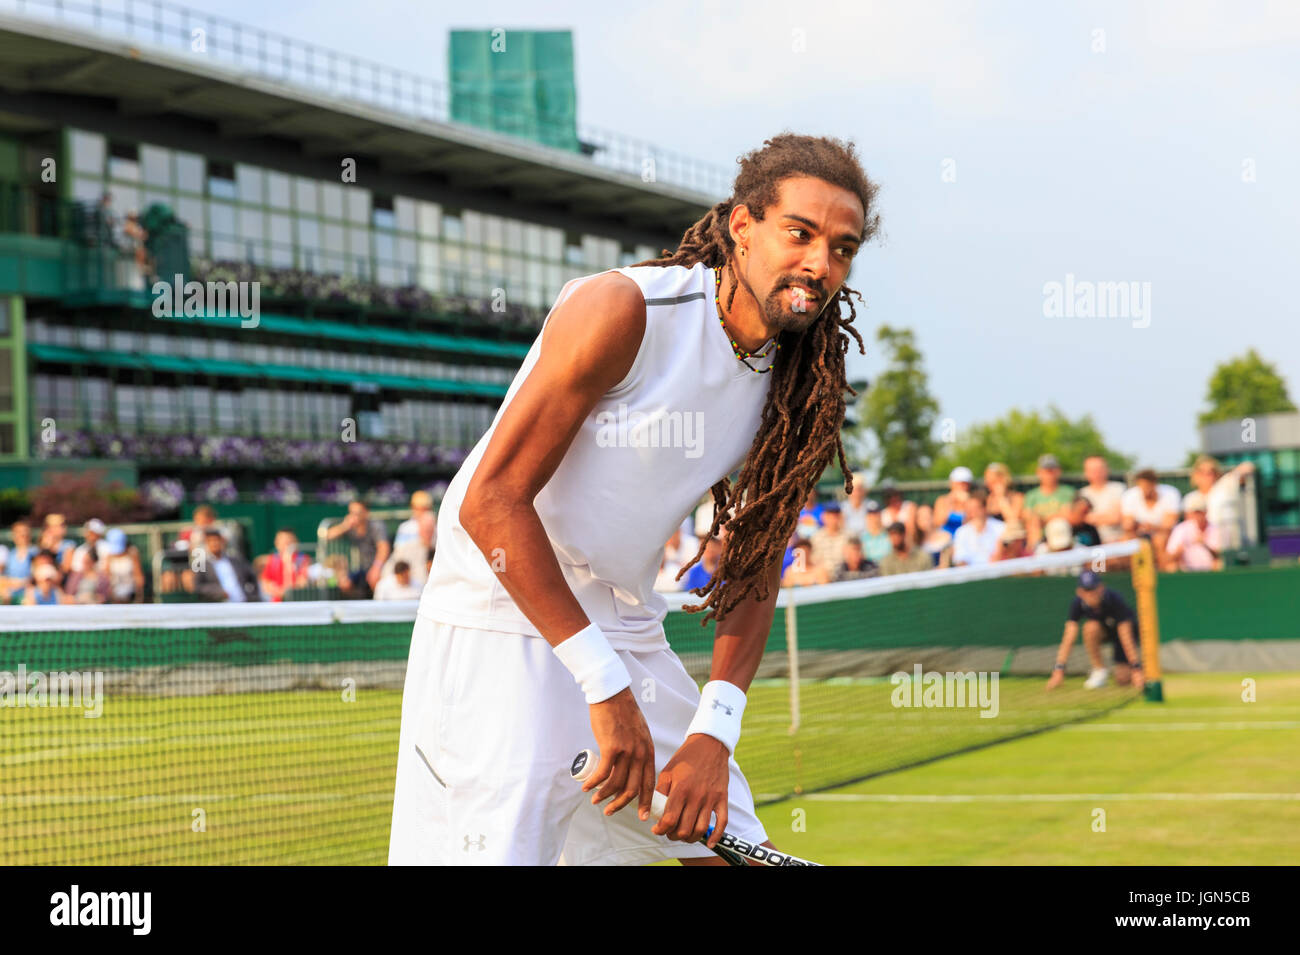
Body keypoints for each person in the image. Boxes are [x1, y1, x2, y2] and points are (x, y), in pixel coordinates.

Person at [391, 137, 876, 865]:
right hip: (500, 625)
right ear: (744, 226)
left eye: (842, 248)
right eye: (799, 233)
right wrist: (603, 684)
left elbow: (754, 564)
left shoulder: (805, 385)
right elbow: (489, 503)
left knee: (736, 853)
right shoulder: (622, 310)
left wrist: (714, 730)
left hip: (625, 627)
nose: (820, 264)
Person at [1047, 570, 1143, 691]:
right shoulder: (1077, 604)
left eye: (1094, 589)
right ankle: (1099, 670)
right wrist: (1059, 669)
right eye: (1087, 590)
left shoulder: (1115, 599)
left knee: (1123, 679)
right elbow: (1068, 637)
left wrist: (1136, 668)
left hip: (1125, 634)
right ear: (1080, 592)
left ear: (1101, 588)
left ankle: (1139, 667)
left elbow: (1125, 635)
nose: (1091, 593)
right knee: (1090, 627)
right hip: (1103, 632)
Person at [1186, 455, 1255, 552]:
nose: (1207, 475)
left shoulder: (1225, 484)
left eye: (1211, 471)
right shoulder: (1191, 498)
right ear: (1196, 474)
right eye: (1202, 472)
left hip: (1229, 537)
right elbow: (1190, 523)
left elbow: (1248, 466)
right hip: (1205, 543)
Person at [323, 500, 390, 596]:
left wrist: (377, 568)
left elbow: (383, 548)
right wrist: (344, 526)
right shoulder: (350, 527)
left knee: (375, 580)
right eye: (351, 513)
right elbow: (328, 536)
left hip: (383, 566)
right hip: (363, 569)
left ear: (366, 513)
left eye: (357, 513)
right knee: (345, 584)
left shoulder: (376, 526)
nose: (354, 516)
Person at [1121, 469, 1181, 569]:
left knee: (1160, 540)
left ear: (1154, 484)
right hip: (1138, 533)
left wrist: (1151, 527)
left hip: (1163, 534)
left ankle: (1162, 573)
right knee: (1126, 541)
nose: (1145, 490)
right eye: (1142, 486)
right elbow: (1127, 524)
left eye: (1147, 486)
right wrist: (1136, 526)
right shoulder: (1129, 496)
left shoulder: (1170, 494)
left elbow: (1168, 526)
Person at [191, 528, 259, 602]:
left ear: (222, 541)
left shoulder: (236, 560)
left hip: (243, 604)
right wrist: (218, 592)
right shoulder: (202, 564)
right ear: (206, 544)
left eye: (217, 540)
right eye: (210, 541)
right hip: (219, 606)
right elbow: (198, 587)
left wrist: (252, 595)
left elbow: (252, 577)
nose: (214, 543)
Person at [1023, 455, 1075, 549]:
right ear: (1039, 472)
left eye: (1051, 471)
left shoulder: (1068, 492)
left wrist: (1043, 520)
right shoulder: (1031, 495)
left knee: (1058, 525)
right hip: (1040, 539)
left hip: (1062, 537)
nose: (1049, 474)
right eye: (1046, 471)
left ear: (1058, 471)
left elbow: (1068, 516)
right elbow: (1029, 519)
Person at [1166, 491, 1223, 572]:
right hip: (1186, 569)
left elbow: (1220, 555)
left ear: (1205, 512)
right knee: (1171, 567)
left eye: (1199, 512)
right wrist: (1178, 552)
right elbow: (1169, 556)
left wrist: (1204, 544)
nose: (1197, 516)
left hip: (1209, 568)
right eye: (1194, 513)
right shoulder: (1181, 529)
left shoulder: (1215, 529)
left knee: (1218, 564)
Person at [1078, 455, 1126, 544]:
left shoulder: (1118, 488)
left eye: (1099, 469)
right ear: (1086, 473)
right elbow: (1080, 519)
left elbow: (1115, 518)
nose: (1097, 473)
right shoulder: (1082, 493)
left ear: (1107, 470)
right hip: (1091, 543)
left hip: (1116, 540)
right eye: (1092, 470)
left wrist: (1092, 518)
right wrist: (1107, 516)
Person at [951, 491, 1005, 567]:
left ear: (984, 508)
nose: (973, 512)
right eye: (969, 509)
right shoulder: (961, 532)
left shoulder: (1001, 527)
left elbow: (1000, 556)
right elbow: (960, 559)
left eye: (976, 508)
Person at [260, 529, 311, 601]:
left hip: (298, 602)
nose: (286, 543)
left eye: (289, 541)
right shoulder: (272, 560)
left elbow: (303, 581)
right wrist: (278, 591)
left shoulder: (302, 559)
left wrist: (287, 592)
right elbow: (265, 583)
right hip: (277, 604)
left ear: (296, 541)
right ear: (276, 543)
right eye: (282, 540)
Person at [102, 528, 146, 604]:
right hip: (114, 595)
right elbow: (106, 577)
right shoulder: (107, 556)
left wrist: (139, 597)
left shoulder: (133, 553)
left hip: (130, 594)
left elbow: (139, 577)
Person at [810, 501, 852, 576]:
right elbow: (812, 561)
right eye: (829, 515)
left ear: (840, 517)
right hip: (822, 577)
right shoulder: (816, 538)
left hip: (843, 576)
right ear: (823, 517)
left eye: (836, 515)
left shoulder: (849, 536)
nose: (833, 519)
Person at [1, 519, 37, 603]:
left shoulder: (35, 552)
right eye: (18, 532)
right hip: (10, 592)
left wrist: (21, 583)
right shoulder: (10, 554)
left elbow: (35, 577)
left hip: (28, 592)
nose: (22, 534)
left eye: (25, 531)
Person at [933, 466, 973, 538]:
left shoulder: (973, 500)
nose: (962, 486)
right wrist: (950, 503)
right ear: (952, 484)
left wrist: (967, 504)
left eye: (965, 484)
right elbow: (938, 523)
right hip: (946, 540)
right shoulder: (942, 500)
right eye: (958, 483)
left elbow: (972, 523)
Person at [915, 503, 953, 568]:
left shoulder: (945, 537)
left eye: (927, 515)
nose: (925, 519)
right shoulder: (915, 542)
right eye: (921, 517)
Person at [860, 499, 892, 563]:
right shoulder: (861, 538)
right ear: (867, 516)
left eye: (876, 513)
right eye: (871, 514)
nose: (874, 517)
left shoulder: (890, 534)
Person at [841, 472, 870, 536]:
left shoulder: (872, 506)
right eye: (853, 489)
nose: (857, 493)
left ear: (864, 491)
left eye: (859, 489)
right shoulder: (842, 508)